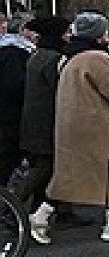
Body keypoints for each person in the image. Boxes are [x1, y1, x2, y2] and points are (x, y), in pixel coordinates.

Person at [31, 12, 109, 244]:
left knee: (70, 176)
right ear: (98, 34)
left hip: (74, 124)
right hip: (102, 123)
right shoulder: (96, 58)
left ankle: (41, 215)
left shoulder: (67, 57)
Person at [13, 17, 79, 225]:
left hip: (33, 120)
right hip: (48, 122)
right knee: (45, 168)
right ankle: (12, 207)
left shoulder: (36, 55)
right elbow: (62, 89)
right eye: (66, 32)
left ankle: (46, 209)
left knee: (47, 167)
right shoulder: (54, 59)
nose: (69, 36)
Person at [0, 11, 34, 186]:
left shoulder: (7, 49)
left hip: (8, 114)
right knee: (8, 158)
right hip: (11, 115)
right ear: (24, 30)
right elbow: (15, 86)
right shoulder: (16, 52)